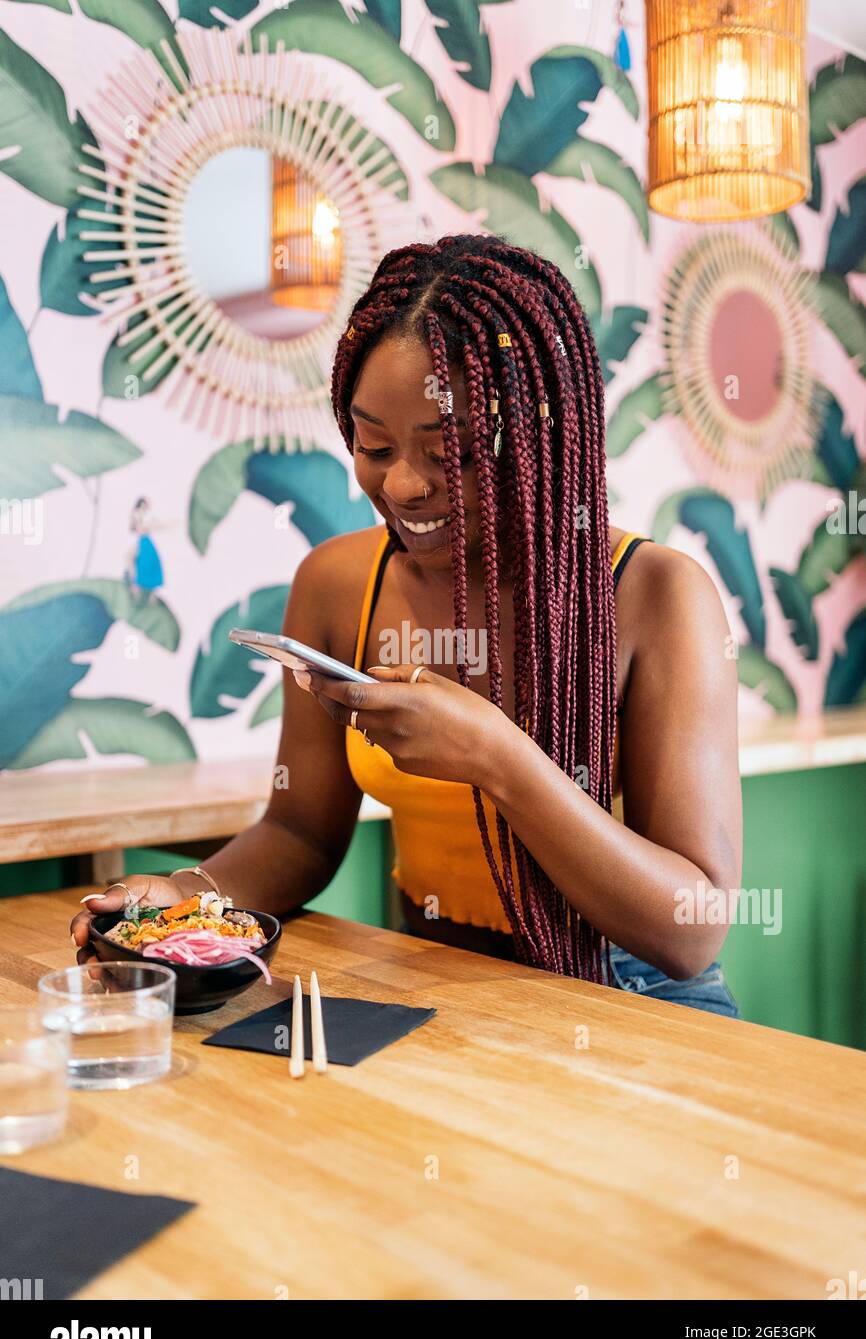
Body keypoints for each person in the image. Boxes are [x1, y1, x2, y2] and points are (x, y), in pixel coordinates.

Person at [71, 234, 741, 1015]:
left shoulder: (655, 594)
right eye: (373, 445)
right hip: (432, 974)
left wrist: (497, 756)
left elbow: (693, 930)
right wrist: (183, 898)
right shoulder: (336, 584)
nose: (404, 484)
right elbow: (300, 832)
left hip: (629, 994)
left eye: (450, 452)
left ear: (538, 437)